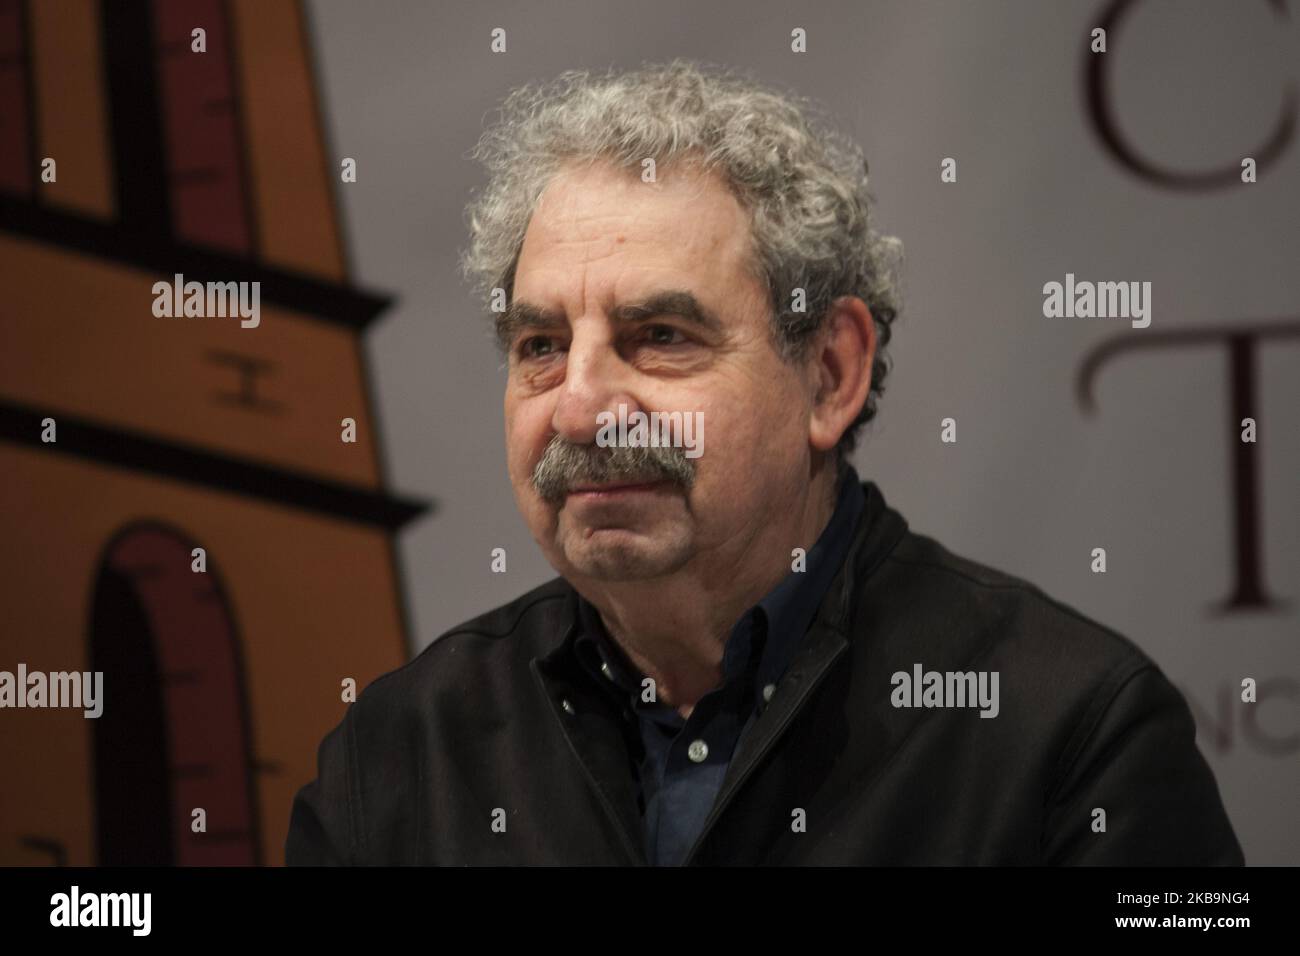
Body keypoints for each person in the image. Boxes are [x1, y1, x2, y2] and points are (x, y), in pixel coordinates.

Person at [286, 60, 1242, 866]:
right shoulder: (399, 758)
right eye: (540, 345)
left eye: (658, 335)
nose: (579, 406)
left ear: (828, 374)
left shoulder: (1072, 737)